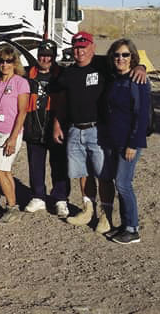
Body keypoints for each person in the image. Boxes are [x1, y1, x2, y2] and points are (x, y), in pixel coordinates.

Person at [52, 31, 146, 233]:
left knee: (103, 174)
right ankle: (88, 210)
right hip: (74, 131)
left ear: (93, 47)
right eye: (76, 47)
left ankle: (105, 216)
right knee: (82, 173)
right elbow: (61, 100)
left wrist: (141, 66)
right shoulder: (67, 73)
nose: (80, 51)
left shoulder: (104, 65)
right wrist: (58, 124)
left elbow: (128, 60)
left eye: (84, 47)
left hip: (98, 130)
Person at [102, 39, 150, 244]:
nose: (120, 59)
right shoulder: (115, 78)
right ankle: (124, 225)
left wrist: (133, 143)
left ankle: (132, 229)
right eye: (116, 55)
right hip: (114, 140)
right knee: (119, 183)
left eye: (125, 55)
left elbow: (141, 115)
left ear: (132, 57)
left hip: (129, 142)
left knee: (123, 184)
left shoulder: (137, 81)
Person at [0, 46, 30, 224]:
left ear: (14, 63)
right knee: (5, 171)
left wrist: (12, 138)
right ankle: (13, 205)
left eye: (9, 61)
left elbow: (22, 112)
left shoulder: (20, 83)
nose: (4, 64)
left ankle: (11, 207)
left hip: (10, 134)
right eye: (1, 61)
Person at [23, 40, 70, 217]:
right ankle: (38, 196)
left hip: (56, 128)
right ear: (37, 55)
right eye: (42, 55)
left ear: (54, 57)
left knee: (59, 164)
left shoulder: (63, 75)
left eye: (49, 56)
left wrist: (140, 66)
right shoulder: (28, 74)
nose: (45, 58)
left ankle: (60, 198)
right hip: (34, 127)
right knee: (35, 164)